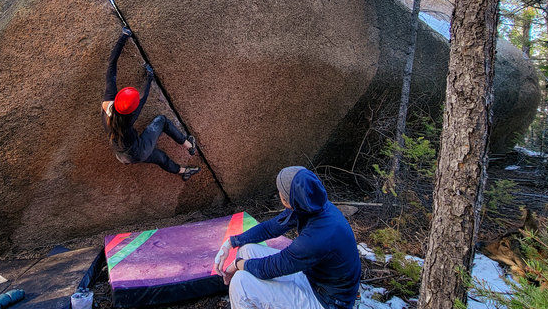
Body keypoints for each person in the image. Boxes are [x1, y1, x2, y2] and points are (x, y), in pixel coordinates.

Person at [214, 166, 361, 309]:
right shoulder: (312, 204)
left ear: (286, 200)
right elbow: (270, 227)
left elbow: (271, 268)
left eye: (280, 191)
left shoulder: (315, 238)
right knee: (247, 250)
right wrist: (231, 242)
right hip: (315, 278)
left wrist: (237, 264)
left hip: (327, 301)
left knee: (241, 283)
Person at [101, 28, 200, 180]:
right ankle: (189, 145)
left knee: (159, 156)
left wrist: (123, 37)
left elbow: (111, 65)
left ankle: (184, 172)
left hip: (122, 156)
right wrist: (149, 77)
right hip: (137, 150)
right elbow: (144, 96)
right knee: (161, 121)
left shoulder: (107, 104)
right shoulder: (130, 118)